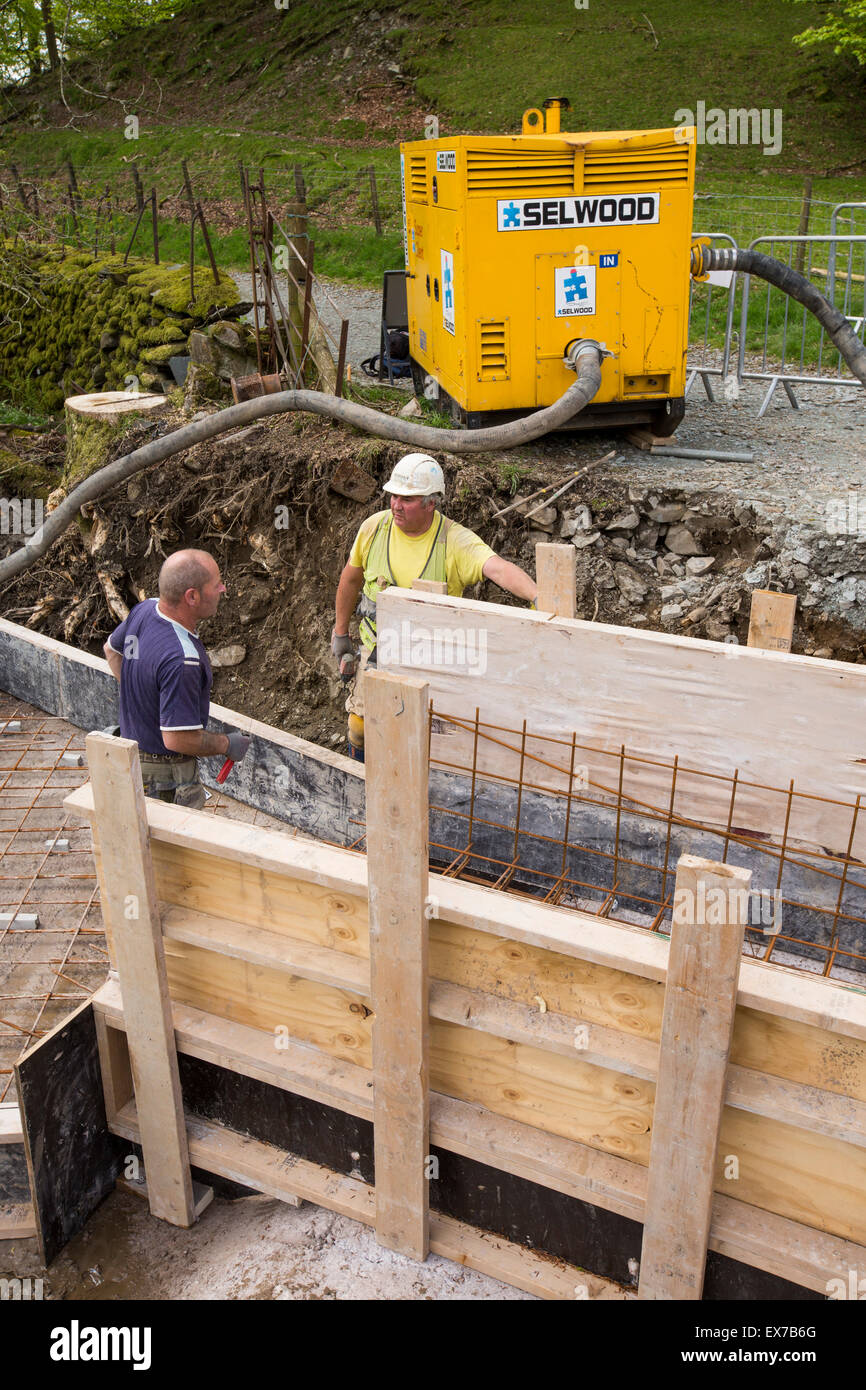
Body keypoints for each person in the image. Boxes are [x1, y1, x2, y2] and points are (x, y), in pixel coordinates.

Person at [332, 453, 537, 760]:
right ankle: (361, 781)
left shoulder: (453, 541)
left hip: (432, 657)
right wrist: (340, 632)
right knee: (361, 727)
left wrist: (537, 596)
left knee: (425, 736)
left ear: (431, 503)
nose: (396, 505)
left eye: (408, 499)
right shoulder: (375, 529)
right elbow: (350, 579)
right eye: (394, 496)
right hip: (379, 651)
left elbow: (497, 568)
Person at [103, 549, 250, 806]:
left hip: (130, 752)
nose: (223, 589)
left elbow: (111, 650)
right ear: (192, 596)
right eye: (216, 585)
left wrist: (143, 701)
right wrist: (226, 744)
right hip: (163, 779)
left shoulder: (144, 610)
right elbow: (177, 738)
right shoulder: (183, 659)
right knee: (174, 844)